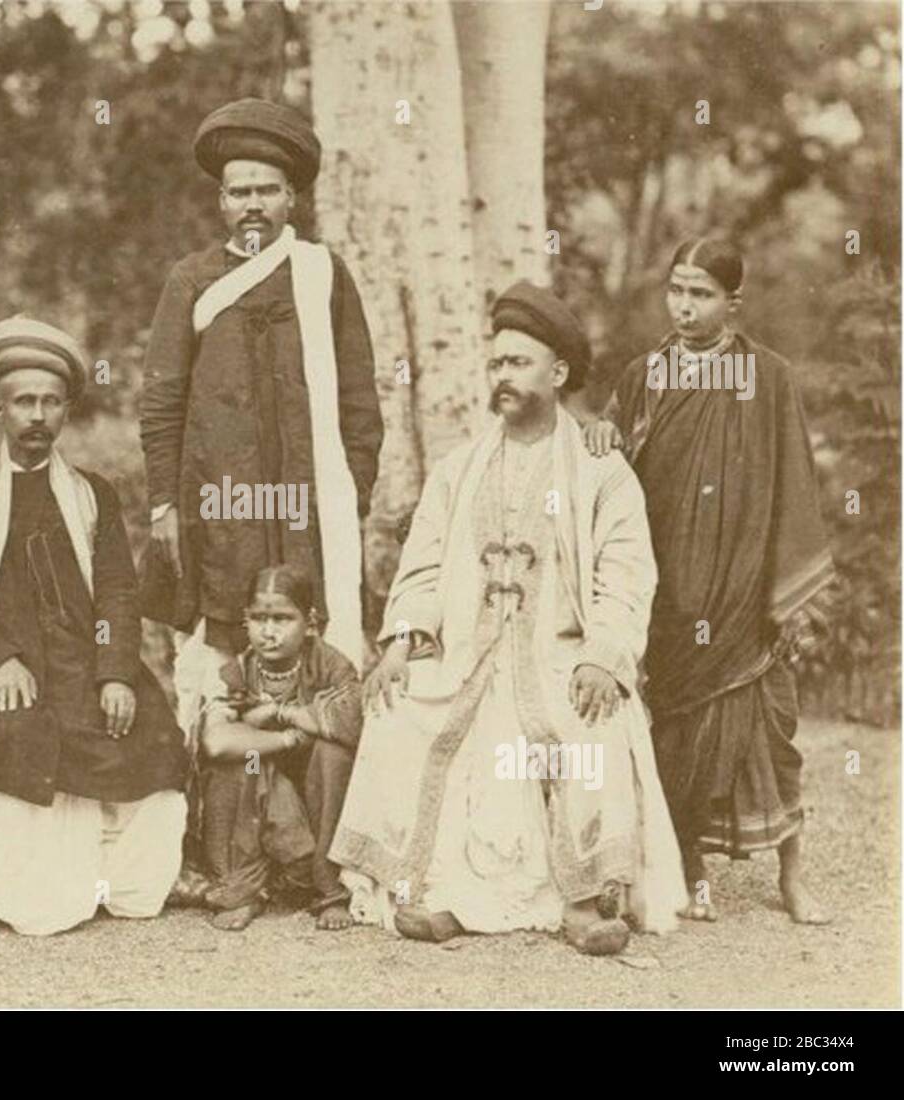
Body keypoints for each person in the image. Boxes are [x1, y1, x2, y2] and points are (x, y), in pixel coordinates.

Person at [330, 282, 686, 955]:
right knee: (398, 706)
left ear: (559, 373)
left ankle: (582, 904)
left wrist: (603, 656)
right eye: (496, 363)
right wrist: (402, 641)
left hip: (560, 659)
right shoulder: (458, 469)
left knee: (589, 721)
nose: (503, 376)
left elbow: (626, 576)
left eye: (519, 363)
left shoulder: (601, 473)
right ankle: (443, 895)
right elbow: (423, 566)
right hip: (466, 657)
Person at [0, 316, 191, 937]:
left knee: (151, 734)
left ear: (65, 410)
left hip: (83, 661)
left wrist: (115, 673)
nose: (37, 415)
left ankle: (119, 876)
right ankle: (23, 875)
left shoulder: (91, 494)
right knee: (18, 735)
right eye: (24, 402)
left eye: (51, 402)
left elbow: (116, 594)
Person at [583, 238, 835, 924]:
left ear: (733, 302)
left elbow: (795, 481)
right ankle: (690, 869)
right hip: (673, 586)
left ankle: (793, 877)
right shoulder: (645, 375)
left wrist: (786, 588)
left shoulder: (769, 377)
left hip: (747, 589)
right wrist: (601, 434)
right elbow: (612, 447)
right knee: (679, 731)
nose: (684, 306)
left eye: (701, 293)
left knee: (773, 734)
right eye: (676, 290)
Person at [139, 97, 383, 733]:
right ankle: (221, 770)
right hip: (220, 502)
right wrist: (165, 505)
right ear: (221, 202)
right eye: (240, 192)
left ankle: (314, 758)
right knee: (227, 634)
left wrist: (350, 493)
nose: (253, 205)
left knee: (310, 626)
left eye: (267, 191)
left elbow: (359, 396)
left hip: (308, 502)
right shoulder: (191, 279)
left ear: (291, 199)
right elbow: (161, 402)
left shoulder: (323, 274)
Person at [196, 564, 362, 932]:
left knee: (332, 753)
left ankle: (329, 888)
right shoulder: (238, 671)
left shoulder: (331, 666)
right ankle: (244, 887)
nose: (268, 632)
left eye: (283, 619)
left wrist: (275, 713)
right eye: (259, 619)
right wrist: (288, 736)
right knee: (246, 761)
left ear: (310, 622)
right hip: (262, 794)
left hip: (317, 795)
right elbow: (216, 741)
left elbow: (351, 724)